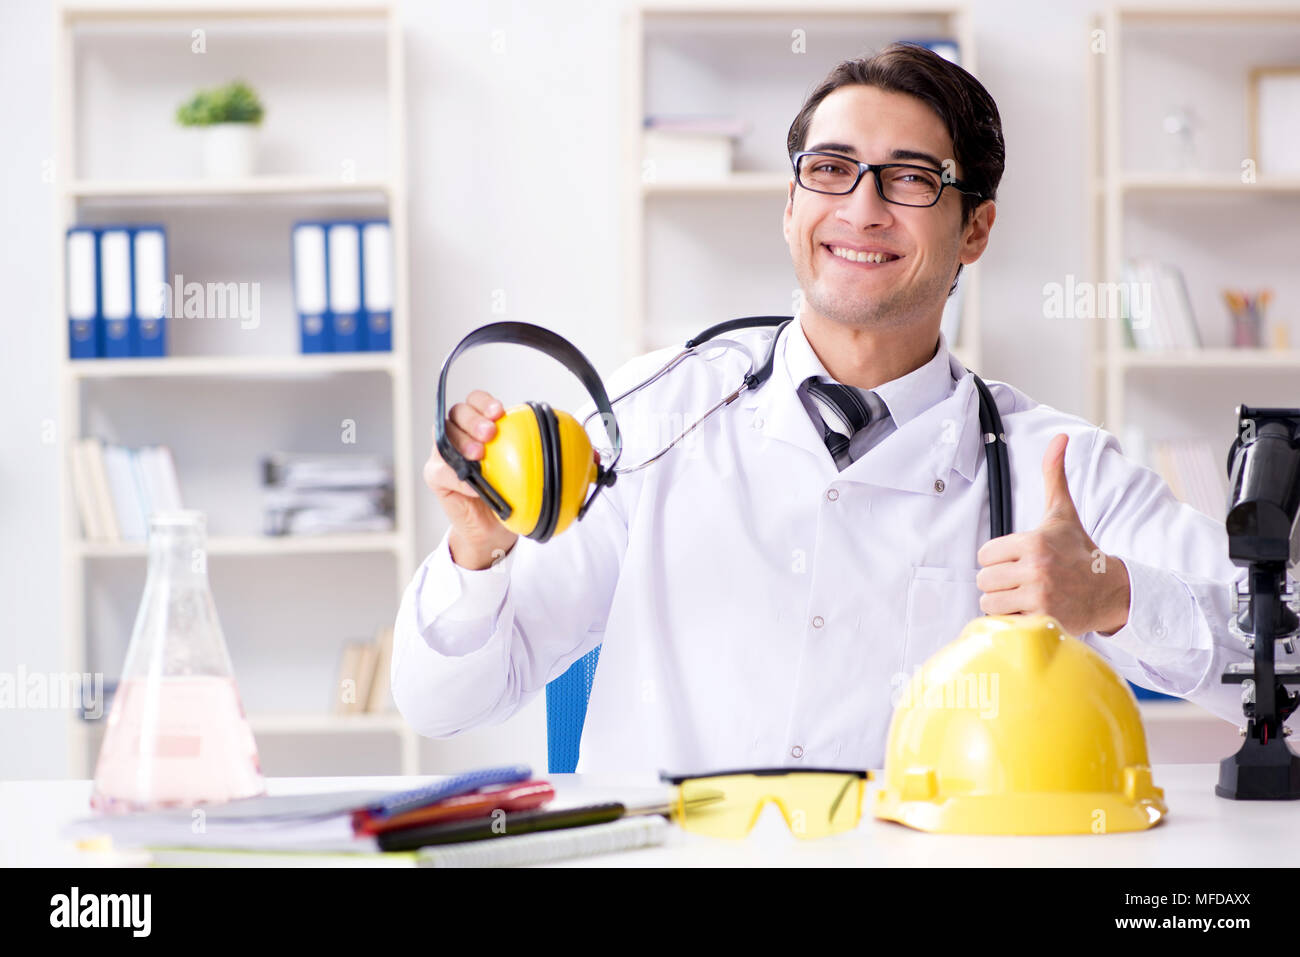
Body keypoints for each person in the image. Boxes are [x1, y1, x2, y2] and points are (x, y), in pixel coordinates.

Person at [392, 43, 1267, 775]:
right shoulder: (653, 411)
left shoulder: (1057, 468)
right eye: (832, 169)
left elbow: (1283, 678)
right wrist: (476, 554)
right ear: (790, 206)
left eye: (912, 179)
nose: (861, 207)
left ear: (976, 229)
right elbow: (444, 701)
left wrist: (1113, 594)